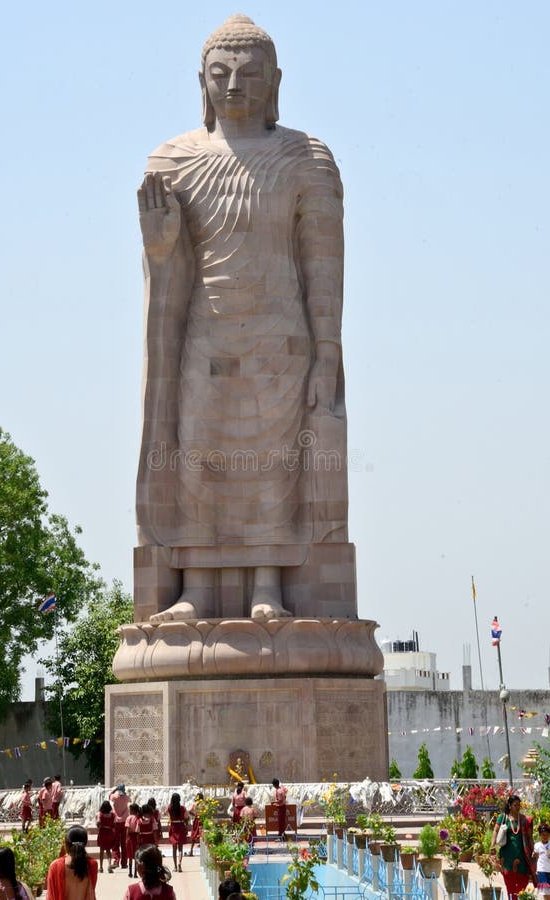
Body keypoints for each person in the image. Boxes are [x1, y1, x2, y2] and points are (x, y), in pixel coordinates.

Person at [137, 13, 347, 621]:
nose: (233, 87)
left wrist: (327, 350)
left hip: (282, 340)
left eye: (249, 74)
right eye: (220, 74)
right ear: (199, 81)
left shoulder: (305, 157)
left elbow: (324, 263)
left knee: (273, 462)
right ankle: (198, 587)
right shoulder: (173, 161)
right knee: (199, 455)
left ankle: (266, 585)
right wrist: (160, 246)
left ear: (275, 82)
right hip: (204, 335)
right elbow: (167, 267)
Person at [490, 794, 537, 899]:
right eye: (515, 805)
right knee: (510, 887)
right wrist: (492, 846)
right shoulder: (503, 817)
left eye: (519, 805)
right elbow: (495, 831)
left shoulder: (524, 820)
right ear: (510, 806)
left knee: (522, 885)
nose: (518, 807)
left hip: (522, 858)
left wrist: (534, 851)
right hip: (507, 859)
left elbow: (530, 837)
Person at [46, 824, 98, 900]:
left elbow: (51, 896)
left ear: (66, 844)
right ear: (85, 843)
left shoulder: (55, 866)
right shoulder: (92, 865)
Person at [533, 823, 550, 900]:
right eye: (543, 834)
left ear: (549, 835)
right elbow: (535, 857)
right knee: (545, 892)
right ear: (539, 835)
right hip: (541, 871)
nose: (545, 836)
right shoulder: (537, 845)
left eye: (547, 834)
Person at [165, 793, 189, 873]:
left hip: (173, 827)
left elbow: (166, 813)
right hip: (181, 826)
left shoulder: (169, 808)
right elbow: (186, 817)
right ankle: (179, 863)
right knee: (180, 848)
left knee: (174, 848)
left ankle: (175, 866)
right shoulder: (182, 808)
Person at [109, 784, 131, 869]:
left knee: (115, 843)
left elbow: (109, 795)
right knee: (124, 843)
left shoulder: (115, 796)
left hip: (116, 822)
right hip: (125, 822)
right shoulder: (126, 797)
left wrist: (114, 789)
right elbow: (130, 800)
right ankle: (124, 863)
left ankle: (116, 861)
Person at [96, 800, 116, 873]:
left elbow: (98, 823)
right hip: (109, 832)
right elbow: (114, 825)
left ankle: (101, 867)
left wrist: (100, 826)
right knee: (108, 850)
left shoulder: (100, 814)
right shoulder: (113, 815)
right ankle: (109, 865)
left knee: (101, 851)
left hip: (102, 833)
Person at [125, 804, 141, 878]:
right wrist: (138, 840)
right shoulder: (137, 818)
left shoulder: (129, 818)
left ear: (132, 810)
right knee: (136, 856)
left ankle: (130, 872)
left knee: (130, 856)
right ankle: (135, 873)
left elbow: (127, 829)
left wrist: (126, 838)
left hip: (130, 837)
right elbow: (138, 830)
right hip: (136, 837)